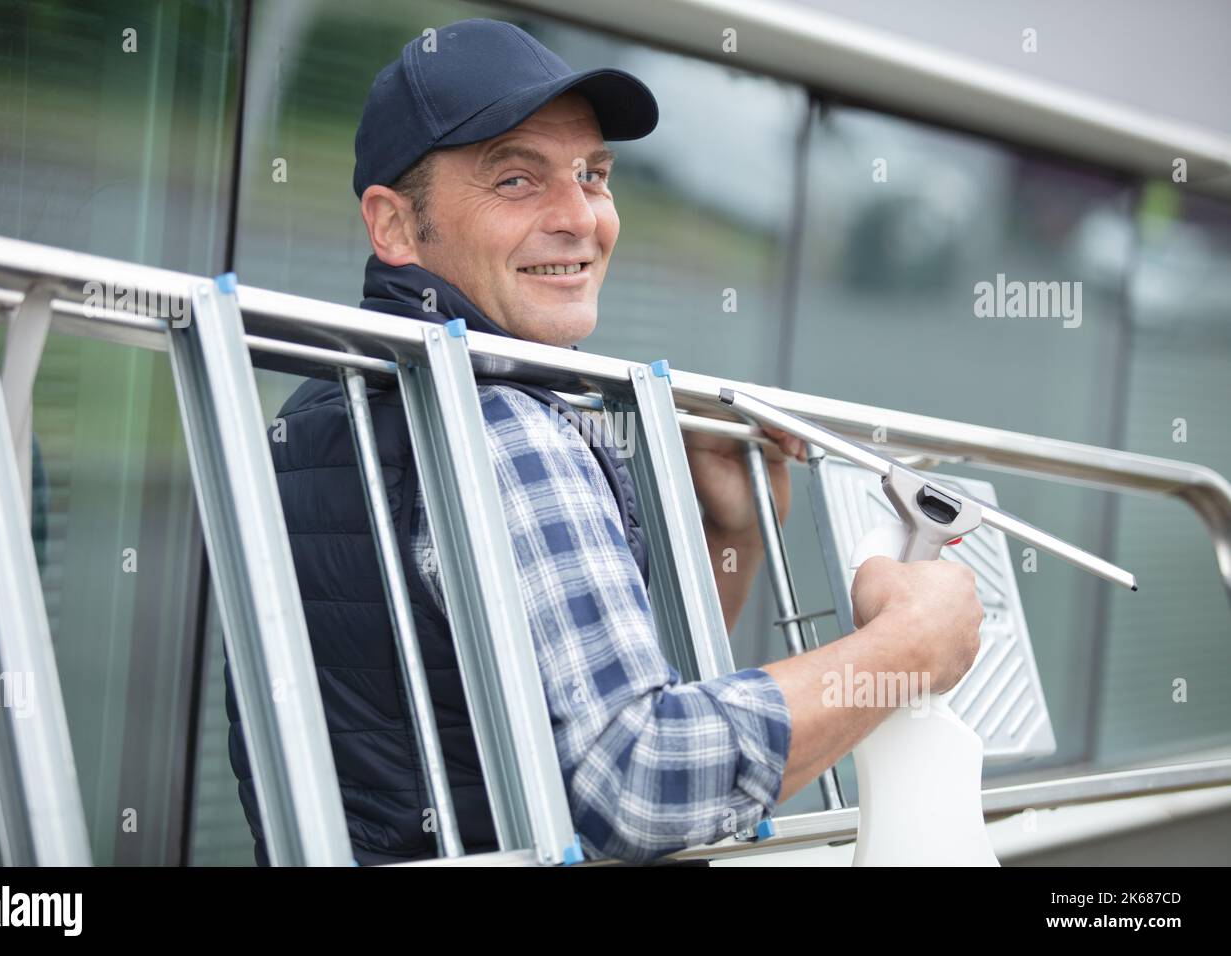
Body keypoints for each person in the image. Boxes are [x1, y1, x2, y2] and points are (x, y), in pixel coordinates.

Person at [224, 18, 983, 866]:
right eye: (517, 179)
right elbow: (644, 783)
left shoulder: (322, 406)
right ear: (396, 228)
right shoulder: (502, 419)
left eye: (593, 176)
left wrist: (726, 535)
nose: (580, 217)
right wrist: (902, 651)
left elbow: (575, 715)